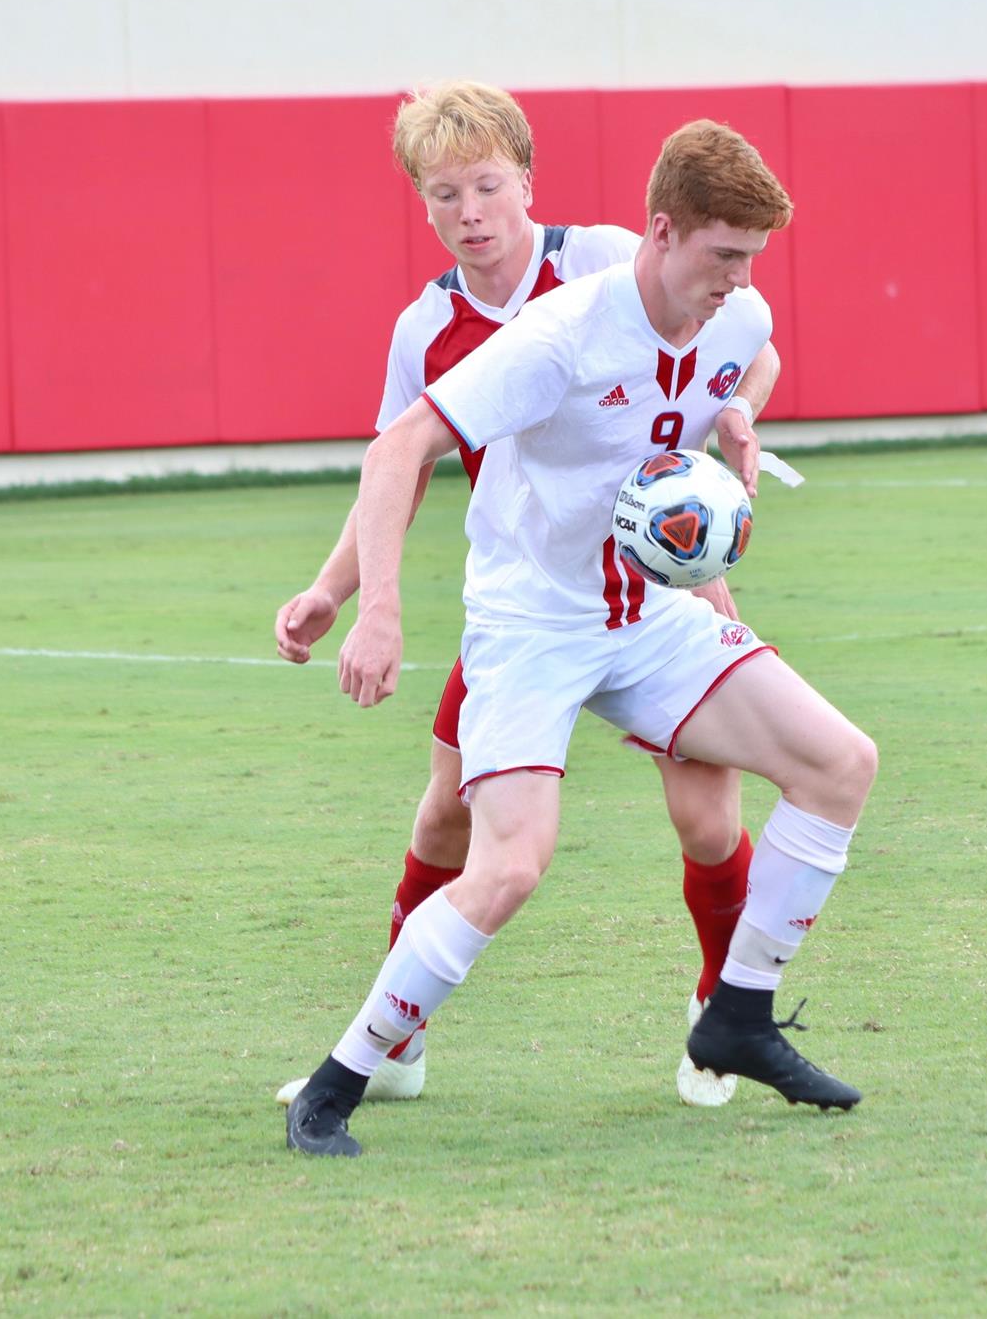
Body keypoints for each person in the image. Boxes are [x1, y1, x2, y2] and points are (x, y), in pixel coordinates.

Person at [286, 118, 878, 1158]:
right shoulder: (556, 337)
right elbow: (398, 451)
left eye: (750, 260)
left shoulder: (737, 318)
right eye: (722, 258)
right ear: (660, 234)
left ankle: (735, 1014)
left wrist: (733, 417)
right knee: (508, 863)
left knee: (839, 764)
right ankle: (339, 1081)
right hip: (530, 626)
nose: (738, 283)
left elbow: (748, 358)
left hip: (649, 615)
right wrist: (370, 603)